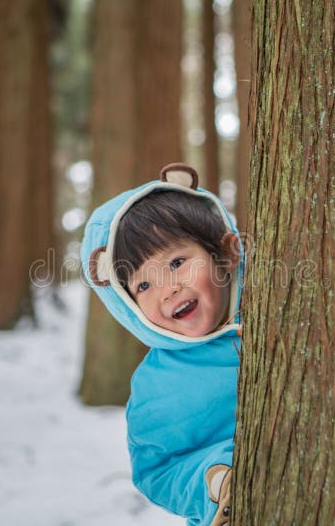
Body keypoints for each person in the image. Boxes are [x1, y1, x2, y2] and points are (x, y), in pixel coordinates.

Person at [81, 163, 242, 526]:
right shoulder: (159, 386)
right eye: (143, 286)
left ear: (224, 253)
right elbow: (158, 468)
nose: (168, 289)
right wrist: (211, 481)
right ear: (130, 309)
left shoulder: (276, 311)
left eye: (177, 262)